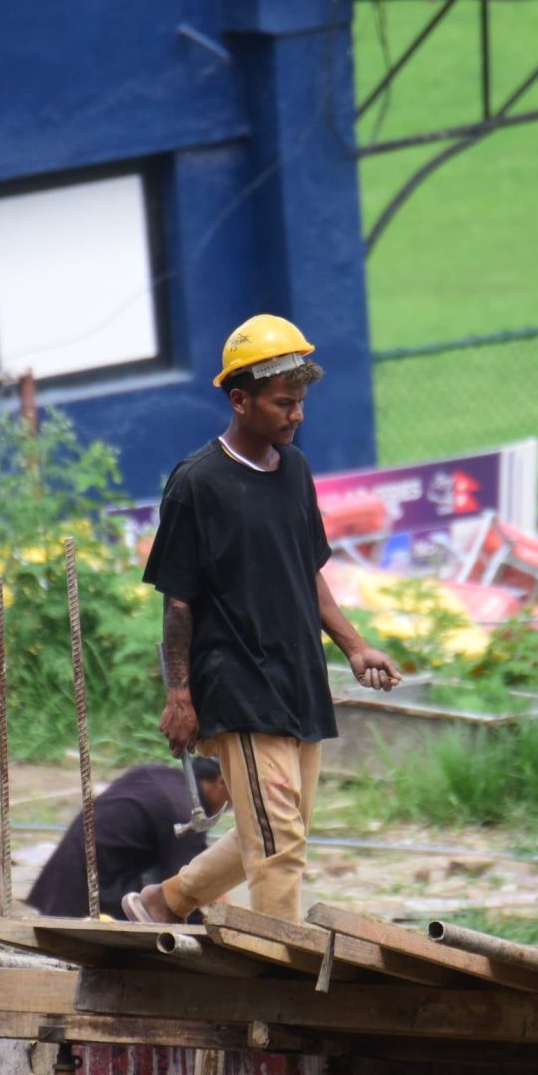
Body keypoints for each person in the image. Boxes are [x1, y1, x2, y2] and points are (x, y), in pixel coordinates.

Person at [124, 315, 398, 926]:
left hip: (298, 675)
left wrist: (355, 647)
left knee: (280, 830)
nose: (296, 415)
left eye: (300, 402)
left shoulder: (294, 472)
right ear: (239, 399)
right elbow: (178, 601)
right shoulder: (198, 484)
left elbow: (309, 572)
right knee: (280, 848)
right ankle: (278, 969)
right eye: (283, 403)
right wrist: (179, 694)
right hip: (239, 683)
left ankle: (163, 901)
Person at [28, 757, 229, 920]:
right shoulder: (187, 814)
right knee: (181, 889)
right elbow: (189, 889)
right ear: (221, 781)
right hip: (94, 898)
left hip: (60, 882)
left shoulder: (155, 773)